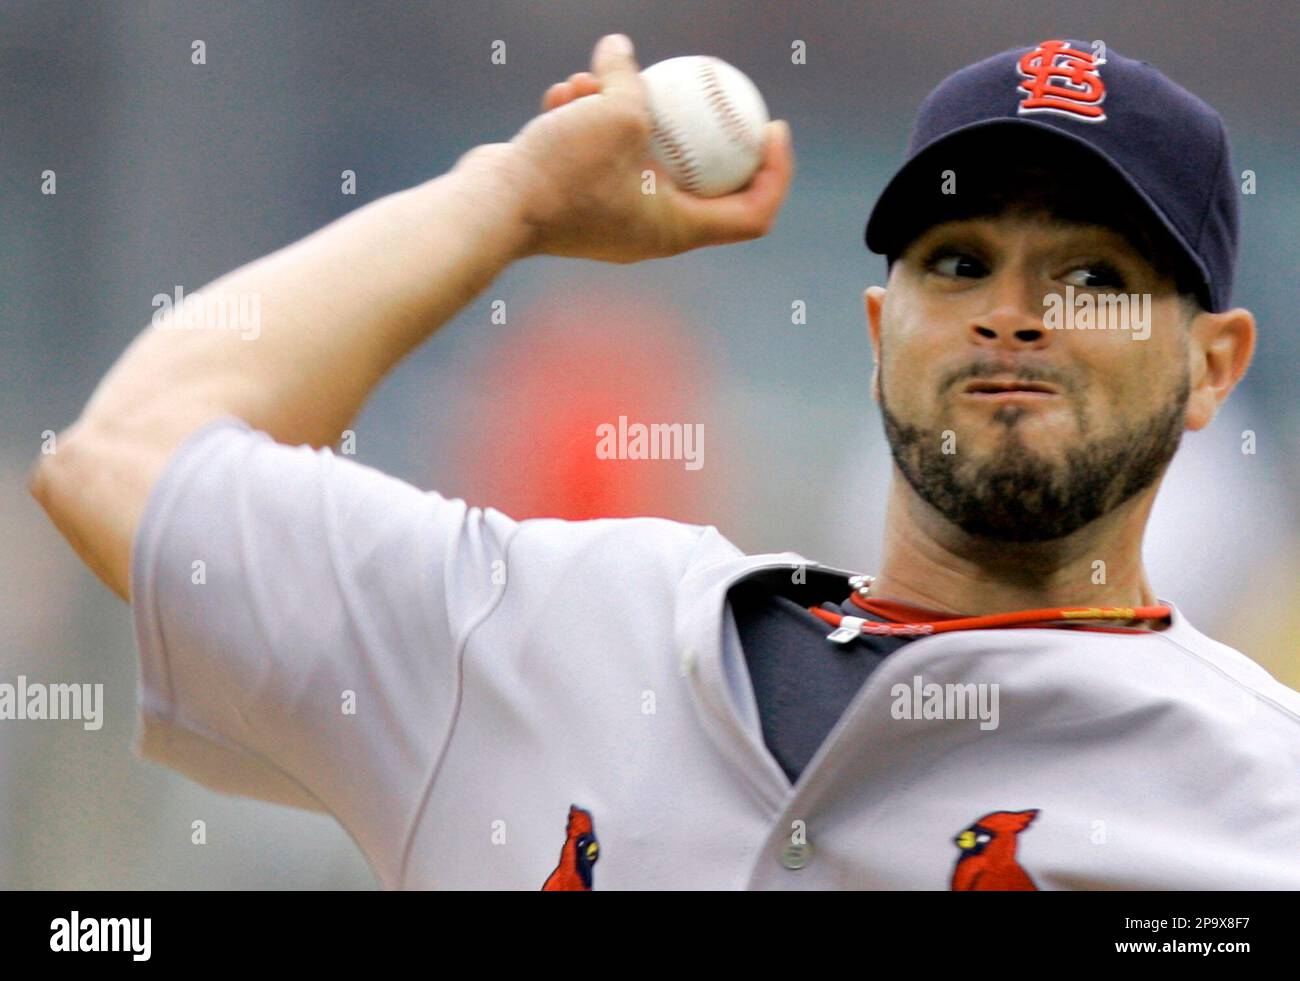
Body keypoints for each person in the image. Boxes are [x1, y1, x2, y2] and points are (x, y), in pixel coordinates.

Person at [31, 34, 1300, 890]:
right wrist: (509, 203)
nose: (1011, 312)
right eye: (956, 260)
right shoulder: (546, 631)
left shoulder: (1261, 809)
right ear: (876, 333)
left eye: (1092, 277)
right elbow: (120, 457)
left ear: (1212, 366)